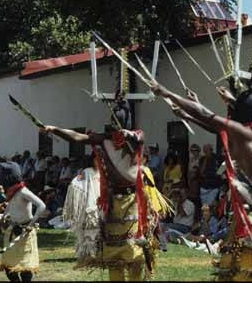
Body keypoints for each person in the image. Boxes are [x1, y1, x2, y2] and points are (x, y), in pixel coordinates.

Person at [151, 61, 252, 281]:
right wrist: (222, 104)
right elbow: (221, 123)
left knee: (247, 276)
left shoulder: (245, 133)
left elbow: (209, 118)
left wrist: (167, 93)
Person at [41, 91, 168, 281]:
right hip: (113, 202)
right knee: (114, 253)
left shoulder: (135, 137)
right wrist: (53, 129)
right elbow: (77, 137)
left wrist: (128, 134)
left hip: (134, 201)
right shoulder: (103, 139)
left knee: (135, 253)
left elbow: (138, 136)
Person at [0, 161, 46, 282]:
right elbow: (11, 204)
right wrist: (4, 216)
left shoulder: (23, 191)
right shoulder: (12, 191)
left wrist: (31, 224)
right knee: (9, 267)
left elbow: (41, 205)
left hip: (25, 233)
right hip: (13, 230)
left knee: (25, 267)